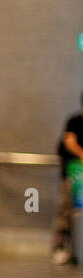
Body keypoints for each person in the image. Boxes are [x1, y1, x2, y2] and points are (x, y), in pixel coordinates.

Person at [51, 89, 83, 265]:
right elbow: (68, 142)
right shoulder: (74, 122)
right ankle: (61, 247)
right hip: (72, 177)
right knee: (66, 211)